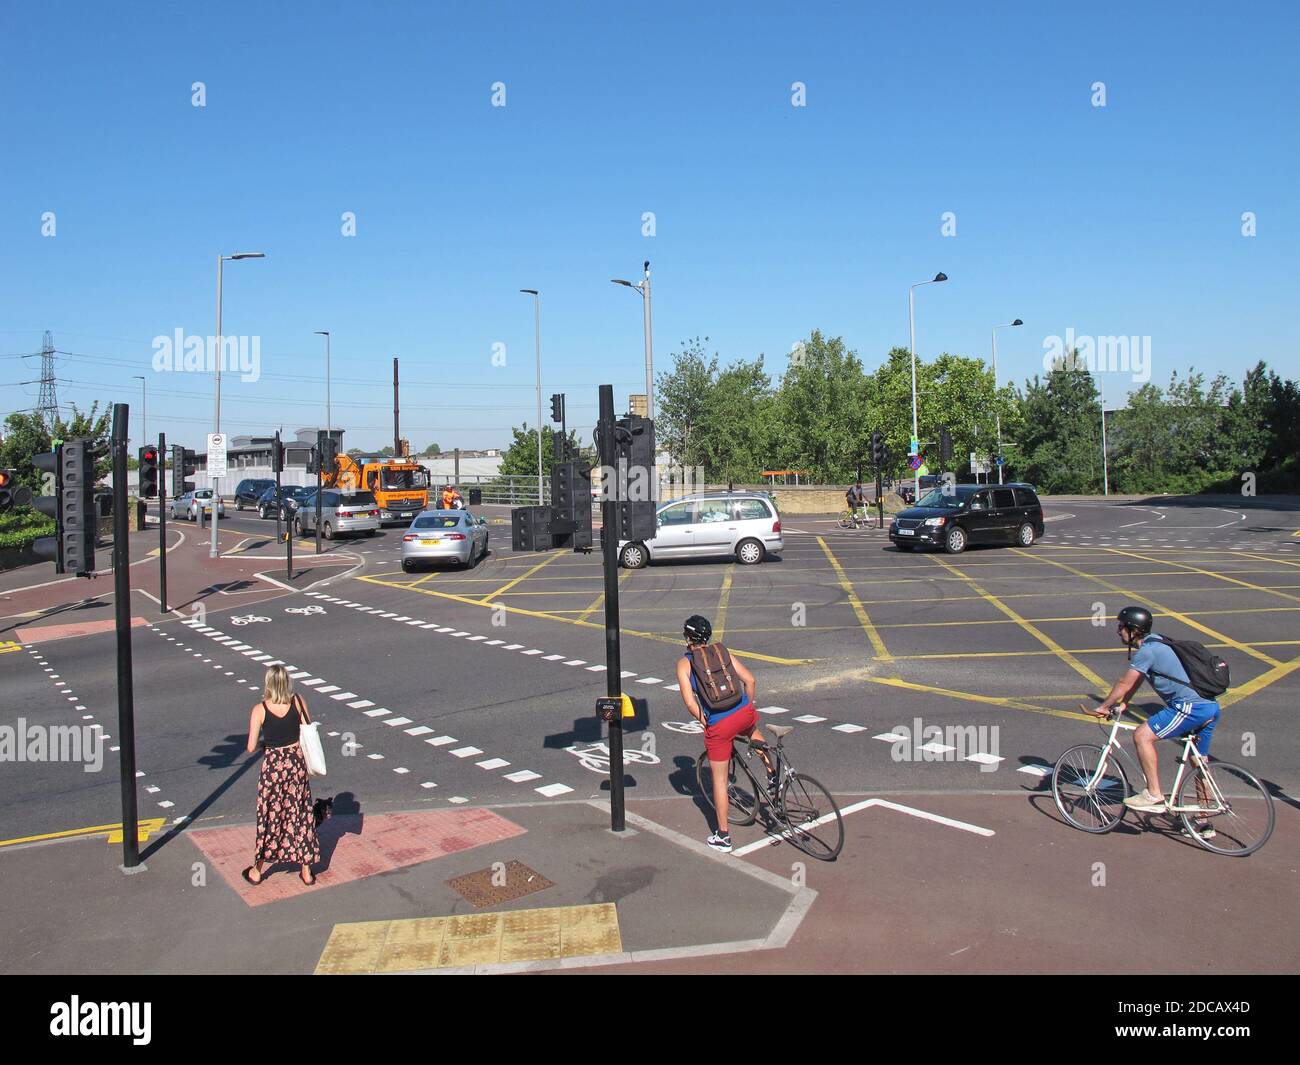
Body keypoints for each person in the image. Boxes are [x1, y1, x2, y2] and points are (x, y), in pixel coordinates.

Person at [1086, 605, 1221, 838]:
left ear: (1134, 630)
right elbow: (1136, 682)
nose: (1119, 631)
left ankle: (1154, 793)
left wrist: (1105, 706)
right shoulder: (1159, 642)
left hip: (1189, 707)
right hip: (1209, 707)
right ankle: (1204, 821)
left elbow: (1124, 682)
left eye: (1122, 627)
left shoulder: (1146, 651)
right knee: (1198, 761)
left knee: (1141, 735)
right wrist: (1125, 703)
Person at [675, 614, 774, 852]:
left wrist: (706, 721)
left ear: (688, 637)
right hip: (743, 711)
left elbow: (690, 703)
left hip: (719, 722)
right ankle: (773, 778)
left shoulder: (685, 663)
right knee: (753, 733)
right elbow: (750, 680)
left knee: (720, 780)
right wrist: (746, 708)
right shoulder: (722, 651)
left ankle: (723, 837)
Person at [243, 664, 322, 885]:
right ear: (287, 682)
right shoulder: (297, 701)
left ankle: (257, 870)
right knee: (301, 814)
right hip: (296, 764)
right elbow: (307, 728)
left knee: (269, 816)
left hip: (273, 769)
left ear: (268, 684)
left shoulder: (260, 709)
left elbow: (250, 747)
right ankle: (306, 872)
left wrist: (266, 744)